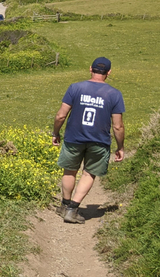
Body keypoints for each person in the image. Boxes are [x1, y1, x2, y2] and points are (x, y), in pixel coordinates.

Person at [52, 57, 125, 224]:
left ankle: (64, 205)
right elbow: (118, 126)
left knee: (70, 170)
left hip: (73, 138)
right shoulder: (114, 94)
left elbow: (61, 115)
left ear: (90, 69)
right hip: (99, 141)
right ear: (109, 72)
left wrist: (55, 132)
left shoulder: (75, 88)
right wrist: (120, 147)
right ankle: (73, 210)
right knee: (88, 173)